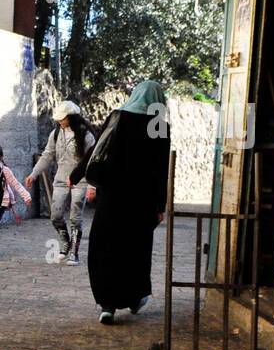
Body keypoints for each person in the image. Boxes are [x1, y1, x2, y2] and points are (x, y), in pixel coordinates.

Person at [70, 80, 172, 325]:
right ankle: (135, 298)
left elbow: (98, 150)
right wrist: (160, 205)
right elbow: (160, 168)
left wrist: (77, 173)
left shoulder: (118, 116)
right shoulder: (157, 123)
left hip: (111, 199)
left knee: (106, 247)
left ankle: (107, 305)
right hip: (141, 201)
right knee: (135, 250)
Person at [26, 100, 96, 266]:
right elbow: (47, 155)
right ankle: (65, 241)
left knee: (75, 216)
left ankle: (74, 251)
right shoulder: (56, 133)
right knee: (56, 215)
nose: (59, 121)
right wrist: (33, 174)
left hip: (81, 181)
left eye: (62, 118)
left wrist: (92, 186)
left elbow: (93, 162)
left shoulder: (86, 135)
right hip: (61, 179)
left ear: (71, 117)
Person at [0, 144, 31, 259]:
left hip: (2, 201)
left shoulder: (5, 170)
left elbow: (16, 184)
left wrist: (26, 196)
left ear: (1, 158)